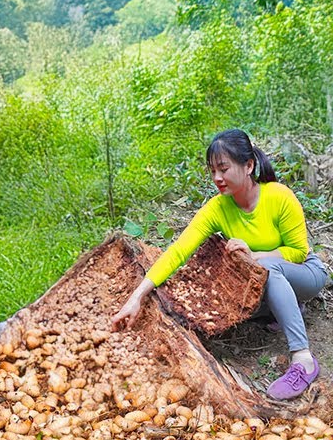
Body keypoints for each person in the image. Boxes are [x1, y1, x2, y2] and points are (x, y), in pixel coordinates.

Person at [111, 129, 330, 399]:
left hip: (305, 273)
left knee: (268, 270)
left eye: (224, 169)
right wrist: (137, 296)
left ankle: (303, 359)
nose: (217, 177)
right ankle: (283, 307)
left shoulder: (278, 197)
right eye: (213, 170)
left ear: (248, 166)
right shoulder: (217, 208)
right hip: (262, 278)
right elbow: (178, 251)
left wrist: (255, 256)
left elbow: (298, 252)